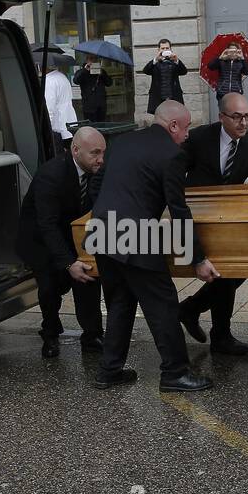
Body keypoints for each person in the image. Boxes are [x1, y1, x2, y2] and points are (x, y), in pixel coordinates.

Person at [91, 99, 218, 392]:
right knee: (163, 305)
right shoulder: (172, 154)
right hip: (136, 237)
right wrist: (197, 258)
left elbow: (98, 185)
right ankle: (175, 373)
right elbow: (179, 210)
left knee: (120, 303)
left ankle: (109, 370)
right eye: (186, 128)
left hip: (102, 232)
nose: (187, 135)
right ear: (173, 125)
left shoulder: (122, 141)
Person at [177, 92, 248, 355]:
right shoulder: (198, 138)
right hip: (199, 217)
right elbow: (176, 172)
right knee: (224, 274)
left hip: (231, 220)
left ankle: (192, 309)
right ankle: (219, 335)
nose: (244, 123)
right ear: (222, 117)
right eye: (237, 117)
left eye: (247, 116)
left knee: (234, 270)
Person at [16, 125, 107, 358]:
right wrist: (69, 263)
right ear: (75, 150)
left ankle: (93, 335)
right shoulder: (51, 175)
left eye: (103, 153)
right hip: (40, 238)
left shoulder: (98, 170)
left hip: (74, 233)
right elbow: (47, 224)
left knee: (88, 277)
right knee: (49, 286)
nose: (101, 159)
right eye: (95, 153)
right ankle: (50, 333)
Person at [142, 38, 188, 114]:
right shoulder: (155, 63)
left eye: (167, 48)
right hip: (158, 98)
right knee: (160, 119)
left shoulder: (175, 62)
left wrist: (177, 60)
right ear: (159, 50)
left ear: (171, 49)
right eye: (163, 48)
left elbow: (184, 71)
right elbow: (145, 71)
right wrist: (155, 59)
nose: (165, 50)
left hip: (173, 97)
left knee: (174, 117)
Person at [42, 61, 77, 151]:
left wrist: (47, 128)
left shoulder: (49, 81)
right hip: (70, 123)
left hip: (58, 128)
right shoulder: (62, 76)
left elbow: (49, 107)